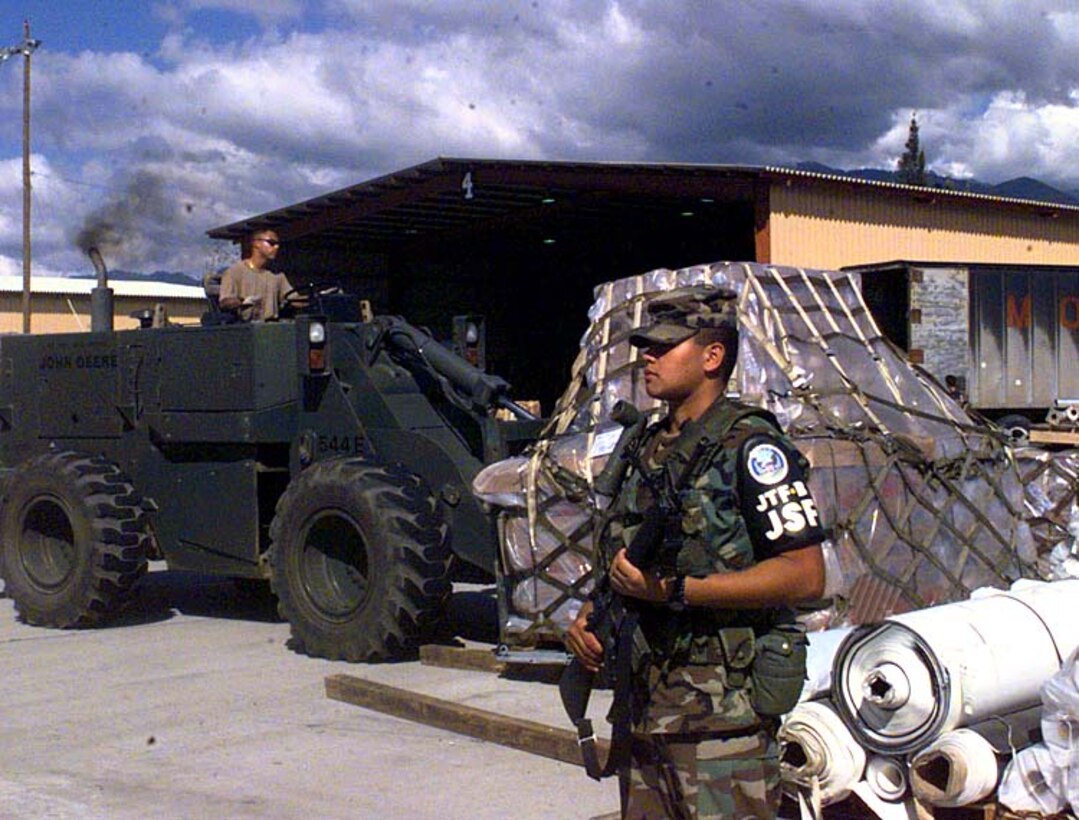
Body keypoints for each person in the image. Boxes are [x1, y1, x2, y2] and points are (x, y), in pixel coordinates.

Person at [565, 285, 826, 819]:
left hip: (720, 726)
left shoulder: (753, 448)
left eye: (665, 346)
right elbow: (623, 551)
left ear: (713, 356)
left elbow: (806, 575)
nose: (648, 357)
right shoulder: (644, 443)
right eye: (647, 346)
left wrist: (680, 591)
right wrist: (593, 614)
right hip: (643, 713)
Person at [218, 229, 294, 321]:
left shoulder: (277, 275)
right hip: (246, 328)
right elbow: (224, 302)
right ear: (256, 244)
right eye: (271, 243)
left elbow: (294, 299)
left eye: (278, 244)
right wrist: (243, 301)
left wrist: (312, 297)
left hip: (272, 327)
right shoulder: (234, 272)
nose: (276, 247)